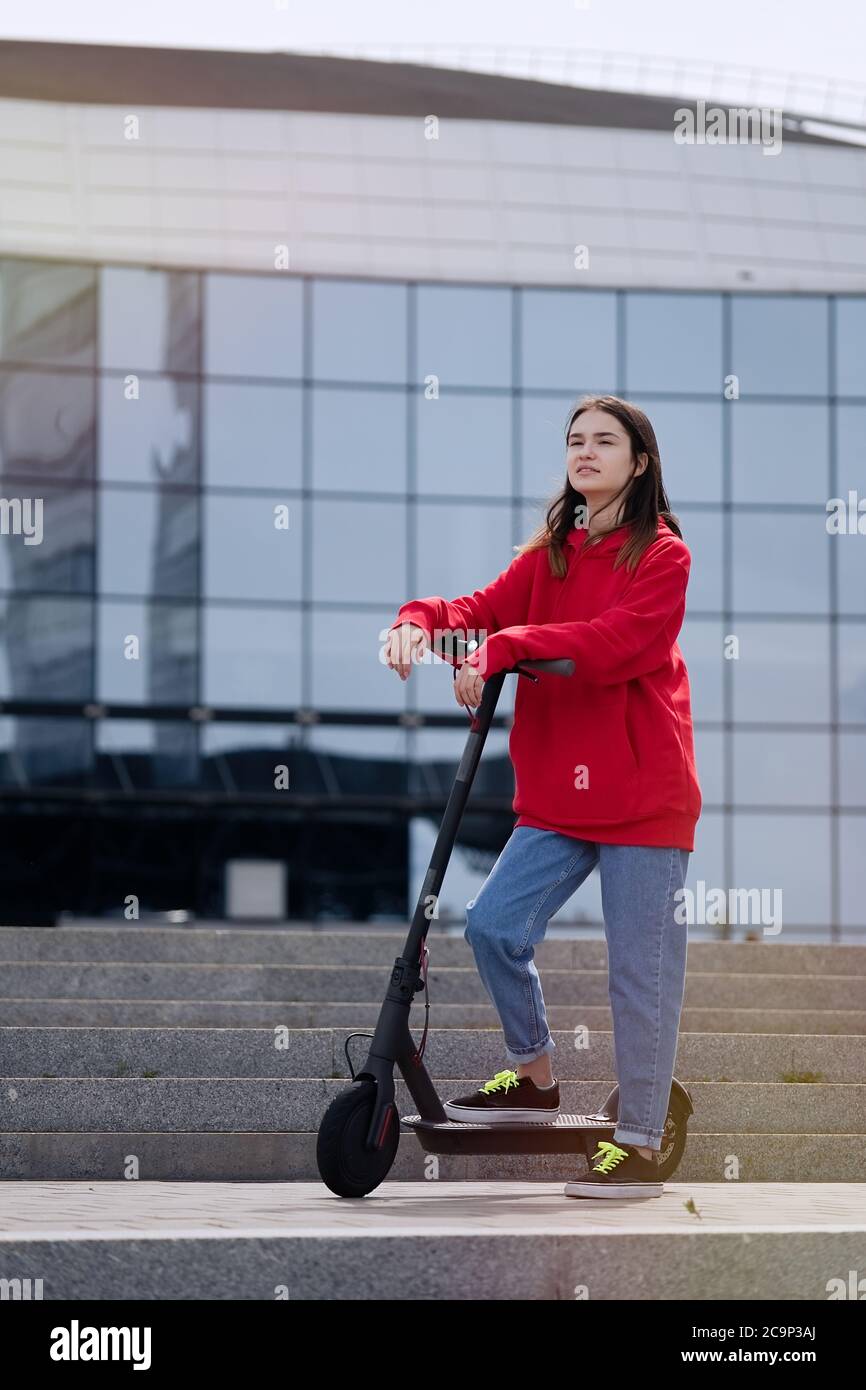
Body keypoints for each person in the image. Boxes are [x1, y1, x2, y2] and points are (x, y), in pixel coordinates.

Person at [383, 394, 701, 1199]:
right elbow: (477, 613)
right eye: (574, 442)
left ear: (640, 460)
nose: (585, 453)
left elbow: (616, 645)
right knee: (493, 926)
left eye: (604, 441)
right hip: (560, 797)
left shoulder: (663, 557)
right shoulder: (551, 557)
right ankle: (535, 1077)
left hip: (643, 797)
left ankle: (638, 1143)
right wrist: (419, 623)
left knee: (639, 971)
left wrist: (505, 646)